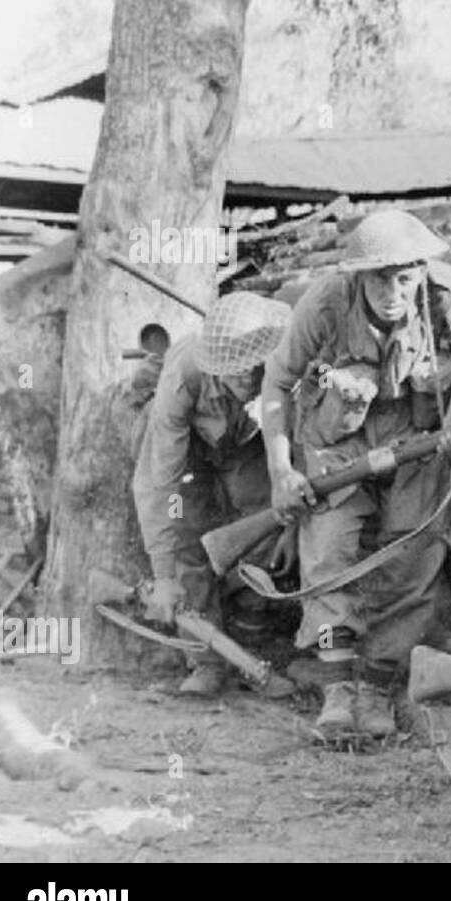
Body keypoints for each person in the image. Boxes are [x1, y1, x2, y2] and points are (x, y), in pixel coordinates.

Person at [262, 209, 451, 738]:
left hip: (417, 439)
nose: (393, 289)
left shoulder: (445, 295)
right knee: (329, 557)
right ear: (357, 275)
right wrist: (281, 471)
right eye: (379, 277)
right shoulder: (324, 303)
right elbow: (277, 385)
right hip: (336, 443)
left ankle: (379, 687)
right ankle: (338, 687)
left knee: (412, 558)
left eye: (404, 276)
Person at [132, 291, 293, 695]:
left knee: (266, 523)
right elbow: (160, 481)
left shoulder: (286, 353)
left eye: (251, 367)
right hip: (189, 449)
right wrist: (163, 576)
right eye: (233, 370)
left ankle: (249, 644)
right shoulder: (183, 376)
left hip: (249, 445)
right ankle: (205, 659)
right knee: (186, 533)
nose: (244, 377)